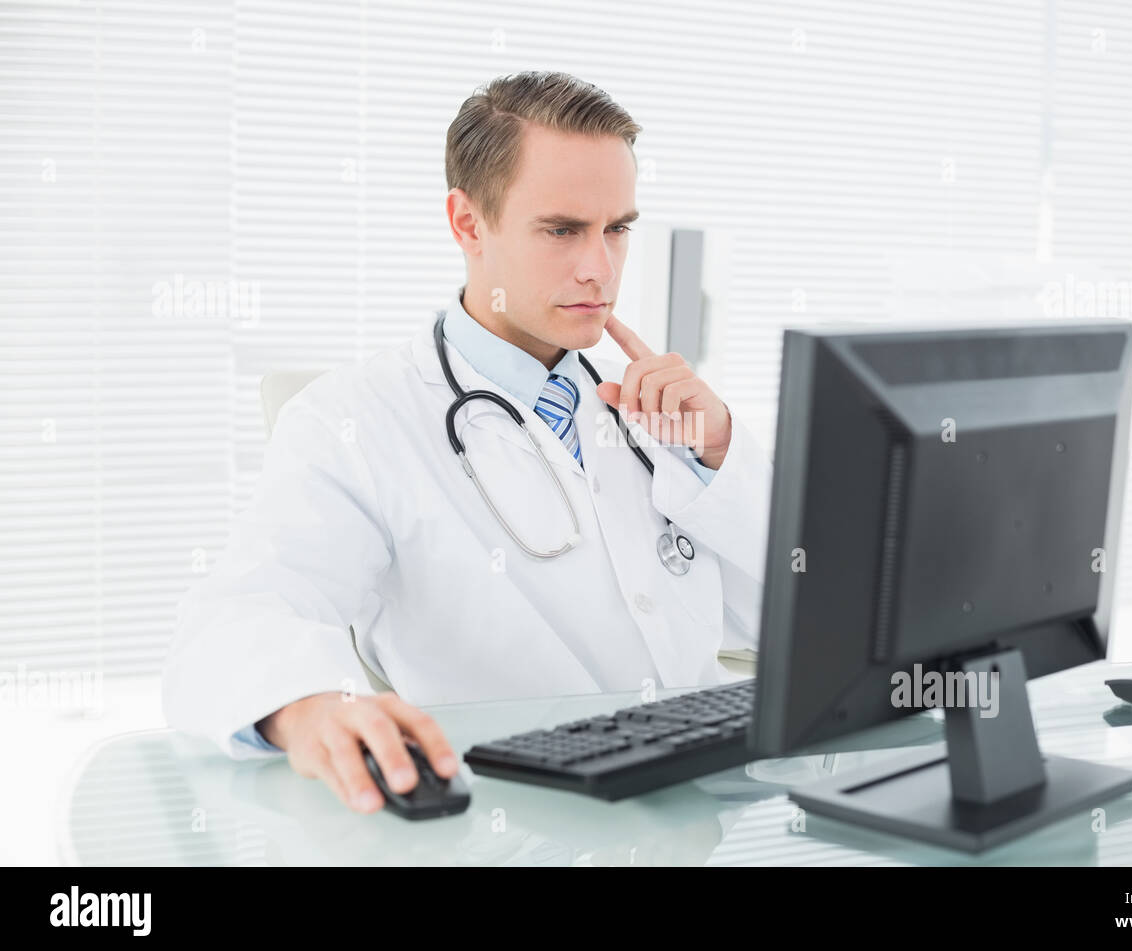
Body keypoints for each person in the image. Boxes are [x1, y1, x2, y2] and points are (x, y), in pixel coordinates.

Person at [162, 71, 772, 814]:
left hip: (708, 804)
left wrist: (719, 457)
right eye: (562, 230)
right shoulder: (353, 422)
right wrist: (313, 709)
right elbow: (239, 616)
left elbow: (799, 615)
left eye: (617, 228)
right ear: (468, 224)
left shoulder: (657, 410)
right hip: (517, 823)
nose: (600, 268)